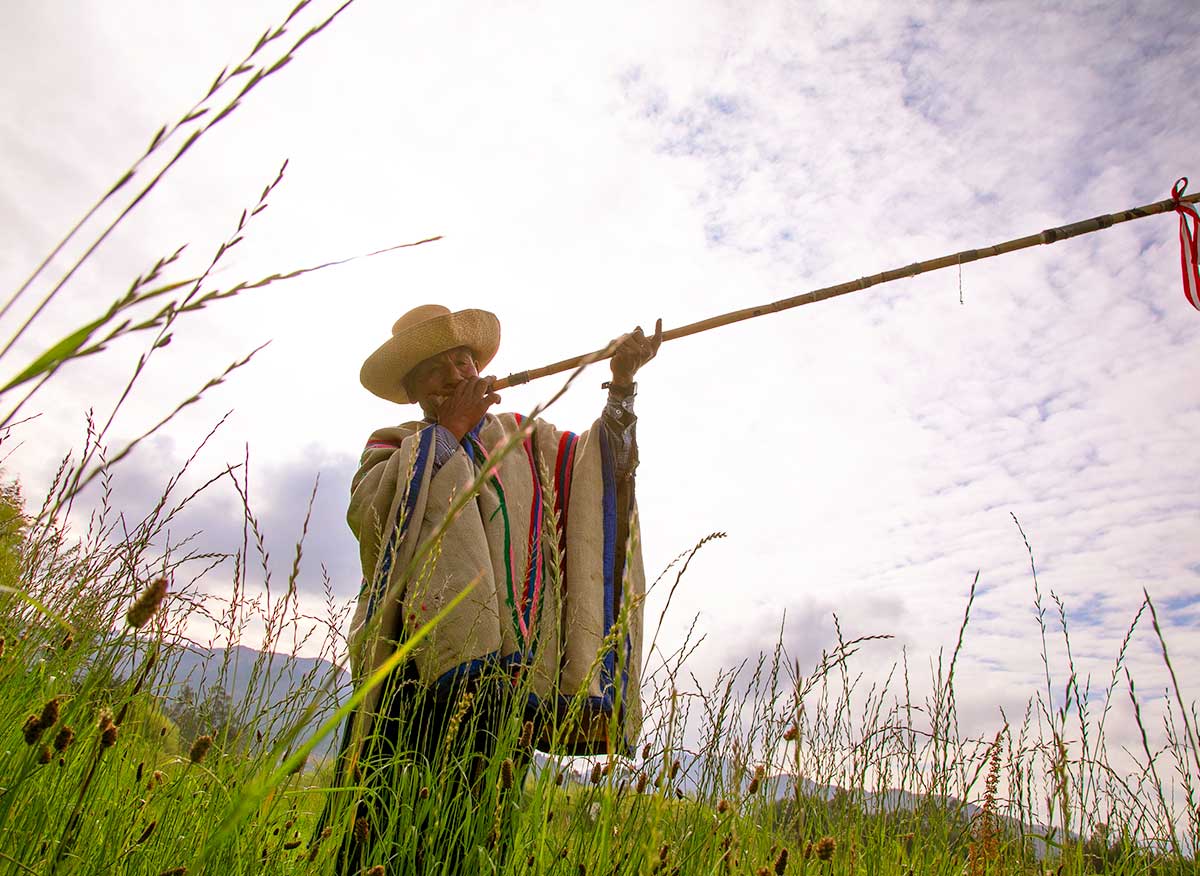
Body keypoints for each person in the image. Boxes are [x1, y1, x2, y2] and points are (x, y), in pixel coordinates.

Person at [329, 303, 660, 874]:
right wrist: (447, 435)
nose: (458, 374)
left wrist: (622, 387)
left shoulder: (525, 442)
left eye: (464, 360)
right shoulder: (392, 446)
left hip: (498, 691)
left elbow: (598, 470)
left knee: (473, 837)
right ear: (413, 390)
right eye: (438, 369)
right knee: (377, 832)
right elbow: (372, 518)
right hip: (407, 676)